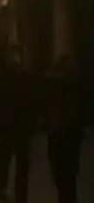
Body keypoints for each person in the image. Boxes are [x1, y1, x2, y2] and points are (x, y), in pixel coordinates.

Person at [0, 44, 37, 203]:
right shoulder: (15, 76)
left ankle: (7, 191)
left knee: (10, 163)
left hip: (12, 128)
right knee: (13, 164)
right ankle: (12, 193)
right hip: (13, 128)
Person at [42, 55, 83, 203]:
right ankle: (67, 198)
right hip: (65, 133)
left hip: (63, 133)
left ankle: (67, 198)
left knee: (63, 172)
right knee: (66, 173)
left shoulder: (60, 86)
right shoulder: (69, 86)